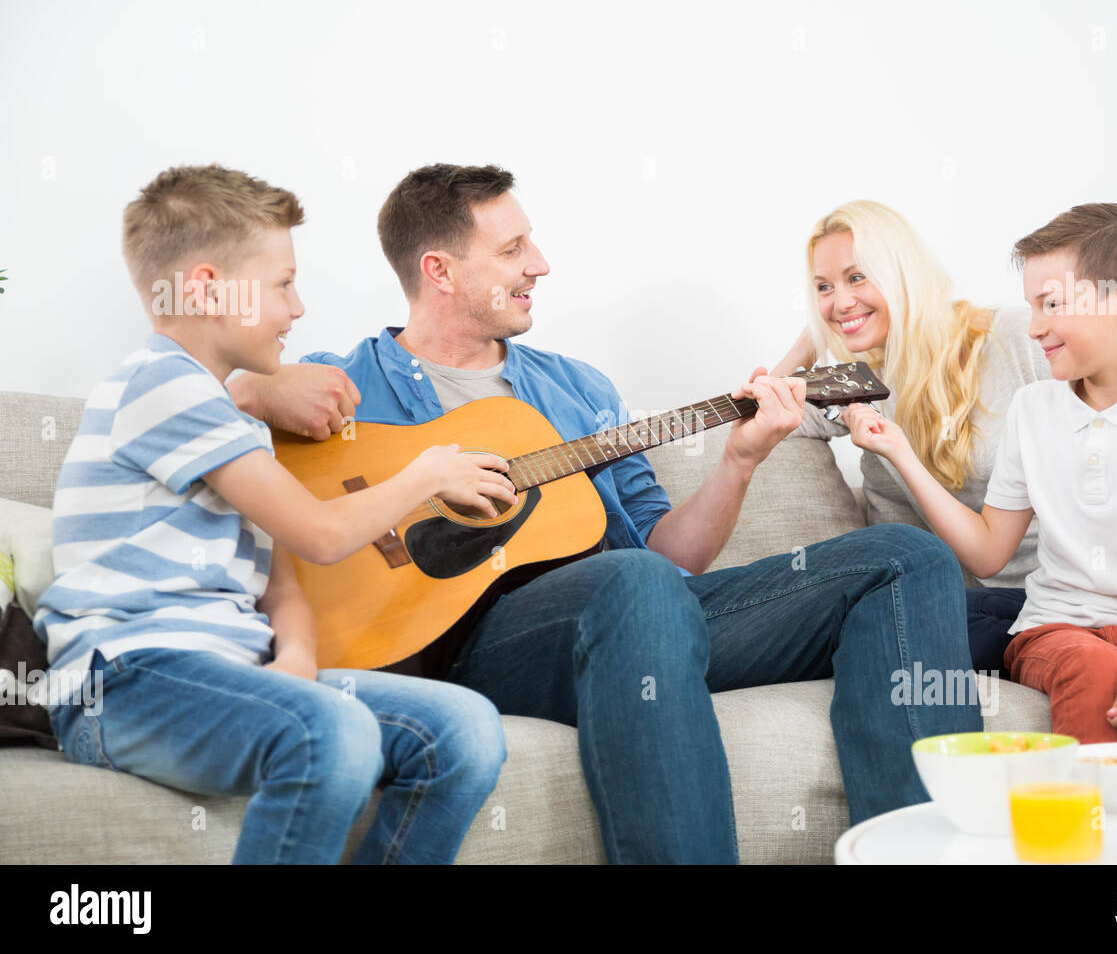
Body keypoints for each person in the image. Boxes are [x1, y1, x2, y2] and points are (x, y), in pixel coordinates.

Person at [228, 163, 983, 864]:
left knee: (900, 557)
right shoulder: (341, 384)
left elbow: (671, 558)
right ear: (440, 270)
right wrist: (251, 389)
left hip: (643, 624)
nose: (541, 264)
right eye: (513, 248)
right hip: (477, 651)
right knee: (632, 582)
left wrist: (739, 459)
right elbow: (195, 416)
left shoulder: (578, 391)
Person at [34, 165, 507, 864]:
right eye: (283, 283)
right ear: (205, 288)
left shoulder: (236, 423)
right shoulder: (158, 384)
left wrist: (297, 660)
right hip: (128, 681)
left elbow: (281, 584)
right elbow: (319, 534)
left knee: (464, 730)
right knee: (332, 734)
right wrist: (428, 473)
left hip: (235, 671)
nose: (299, 308)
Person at [774, 199, 1117, 679]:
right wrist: (813, 338)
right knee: (895, 626)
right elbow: (766, 413)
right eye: (822, 286)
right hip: (1030, 600)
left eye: (856, 278)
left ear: (901, 277)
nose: (840, 300)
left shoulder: (1009, 340)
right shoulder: (852, 391)